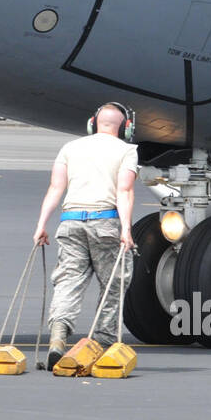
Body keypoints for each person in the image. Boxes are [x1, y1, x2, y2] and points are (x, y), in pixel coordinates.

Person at [32, 103, 138, 368]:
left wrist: (41, 224)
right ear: (126, 127)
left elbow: (56, 187)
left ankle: (58, 337)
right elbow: (124, 191)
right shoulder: (127, 150)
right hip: (105, 222)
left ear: (93, 123)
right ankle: (100, 343)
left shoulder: (70, 148)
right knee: (113, 285)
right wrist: (126, 229)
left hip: (70, 223)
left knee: (68, 281)